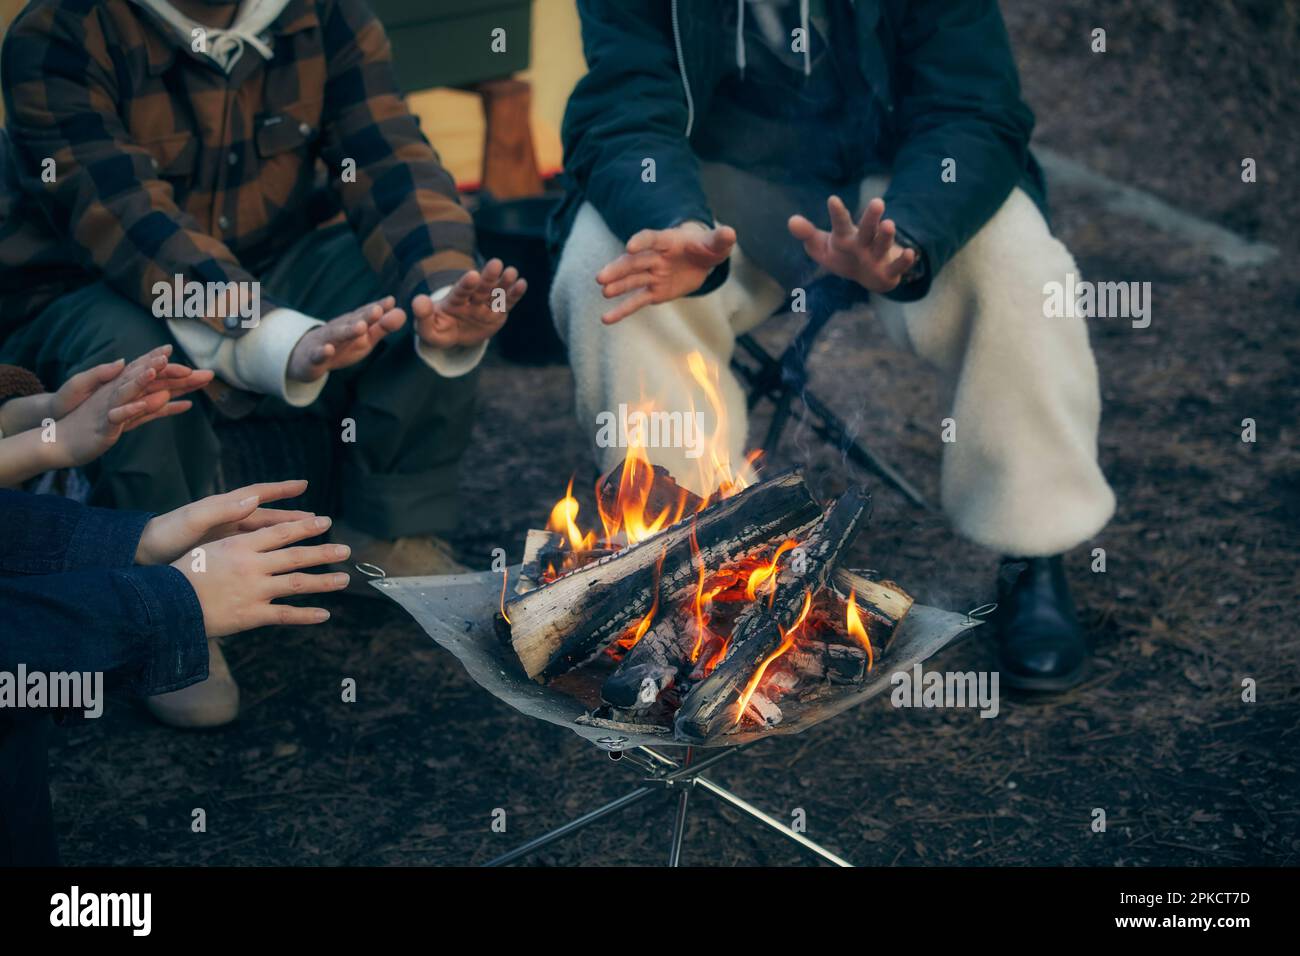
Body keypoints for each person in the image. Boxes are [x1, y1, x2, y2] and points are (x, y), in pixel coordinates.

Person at [549, 0, 1116, 691]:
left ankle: (1035, 542)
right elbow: (623, 102)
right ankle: (693, 578)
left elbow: (973, 109)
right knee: (606, 267)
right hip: (713, 185)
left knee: (1019, 265)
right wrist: (670, 218)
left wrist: (911, 231)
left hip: (893, 183)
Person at [0, 0, 527, 722]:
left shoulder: (327, 15)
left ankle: (389, 525)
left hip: (270, 260)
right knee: (134, 356)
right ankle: (168, 602)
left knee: (405, 290)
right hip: (86, 279)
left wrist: (444, 292)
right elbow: (124, 218)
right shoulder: (59, 30)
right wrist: (276, 333)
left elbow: (388, 160)